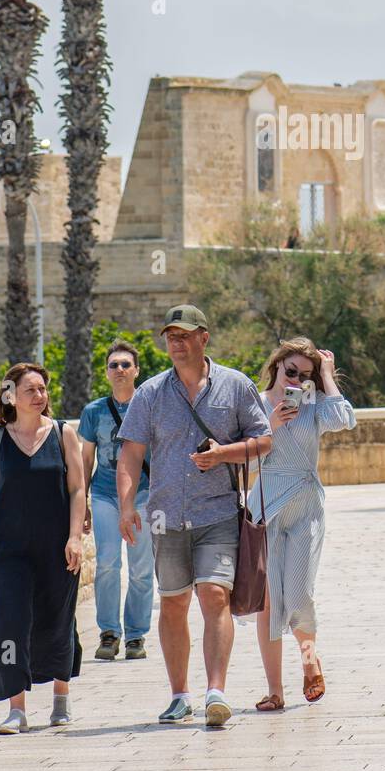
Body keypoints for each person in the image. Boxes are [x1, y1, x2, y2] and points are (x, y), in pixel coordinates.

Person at [117, 304, 272, 727]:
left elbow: (263, 440)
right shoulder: (150, 393)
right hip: (166, 516)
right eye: (171, 336)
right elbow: (130, 453)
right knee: (172, 603)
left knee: (215, 596)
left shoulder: (236, 386)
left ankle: (216, 691)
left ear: (204, 337)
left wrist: (223, 454)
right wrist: (128, 505)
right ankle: (179, 694)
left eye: (184, 335)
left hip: (218, 511)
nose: (176, 343)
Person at [0, 363, 84, 733]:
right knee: (9, 620)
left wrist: (74, 537)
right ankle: (16, 707)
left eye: (43, 389)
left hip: (55, 545)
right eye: (31, 390)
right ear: (11, 396)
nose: (40, 396)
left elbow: (76, 489)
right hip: (8, 548)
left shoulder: (64, 434)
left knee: (57, 619)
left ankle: (61, 698)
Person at [248, 337, 355, 711]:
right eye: (290, 371)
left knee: (298, 593)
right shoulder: (256, 403)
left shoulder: (313, 405)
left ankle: (308, 655)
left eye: (304, 376)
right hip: (266, 506)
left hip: (307, 504)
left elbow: (343, 420)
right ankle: (274, 690)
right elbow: (242, 458)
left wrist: (326, 377)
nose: (295, 381)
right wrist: (271, 425)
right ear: (277, 365)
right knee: (269, 603)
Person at [79, 340, 154, 661]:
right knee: (108, 563)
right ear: (106, 372)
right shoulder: (93, 412)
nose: (120, 370)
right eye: (114, 365)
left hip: (145, 495)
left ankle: (136, 635)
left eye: (126, 364)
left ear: (136, 370)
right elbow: (84, 460)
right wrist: (80, 503)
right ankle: (109, 632)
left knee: (141, 568)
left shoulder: (150, 406)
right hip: (105, 494)